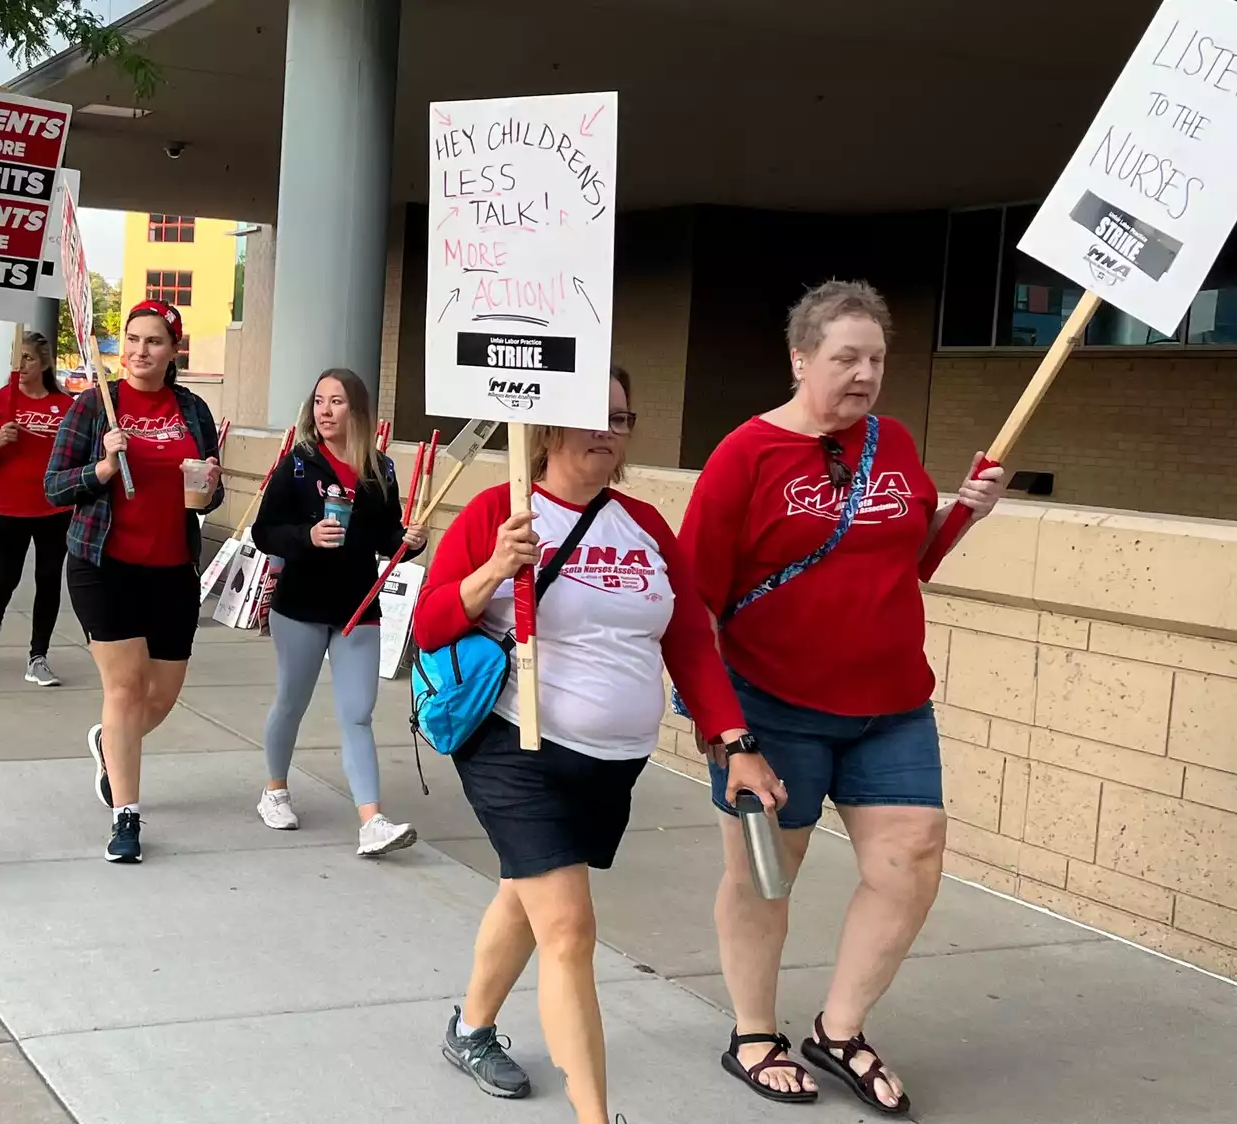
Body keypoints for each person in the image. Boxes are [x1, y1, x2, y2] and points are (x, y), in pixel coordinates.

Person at [414, 367, 781, 1124]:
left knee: (530, 896)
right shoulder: (498, 510)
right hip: (514, 746)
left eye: (620, 417)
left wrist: (733, 738)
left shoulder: (644, 525)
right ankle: (594, 1116)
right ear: (546, 425)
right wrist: (494, 570)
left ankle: (470, 1029)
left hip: (610, 764)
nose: (606, 431)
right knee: (571, 929)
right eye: (590, 415)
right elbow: (429, 626)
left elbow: (688, 640)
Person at [678, 280, 1005, 1114]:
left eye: (877, 359)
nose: (864, 375)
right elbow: (691, 603)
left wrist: (964, 513)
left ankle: (840, 1030)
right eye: (845, 358)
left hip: (891, 704)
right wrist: (726, 729)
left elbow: (908, 557)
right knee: (765, 876)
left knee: (912, 860)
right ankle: (754, 1033)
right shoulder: (743, 456)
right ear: (800, 359)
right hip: (773, 706)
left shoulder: (890, 441)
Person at [43, 300, 222, 864]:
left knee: (161, 697)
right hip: (104, 565)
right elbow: (54, 487)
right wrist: (100, 468)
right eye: (133, 339)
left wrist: (210, 486)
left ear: (173, 352)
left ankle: (108, 742)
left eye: (154, 342)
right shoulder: (95, 406)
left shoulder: (192, 410)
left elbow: (208, 494)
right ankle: (127, 817)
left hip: (172, 567)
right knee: (123, 690)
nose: (141, 351)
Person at [248, 367, 425, 855]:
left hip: (359, 606)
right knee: (291, 701)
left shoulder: (381, 469)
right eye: (319, 401)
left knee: (358, 714)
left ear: (358, 411)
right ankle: (275, 790)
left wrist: (409, 542)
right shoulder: (298, 465)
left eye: (337, 402)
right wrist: (306, 537)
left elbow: (386, 536)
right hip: (301, 605)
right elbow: (264, 531)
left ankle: (372, 822)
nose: (324, 411)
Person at [0, 331, 76, 687]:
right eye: (16, 357)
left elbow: (79, 453)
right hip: (9, 509)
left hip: (54, 509)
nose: (20, 364)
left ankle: (38, 656)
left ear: (44, 363)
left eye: (28, 357)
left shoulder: (66, 405)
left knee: (48, 580)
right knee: (4, 580)